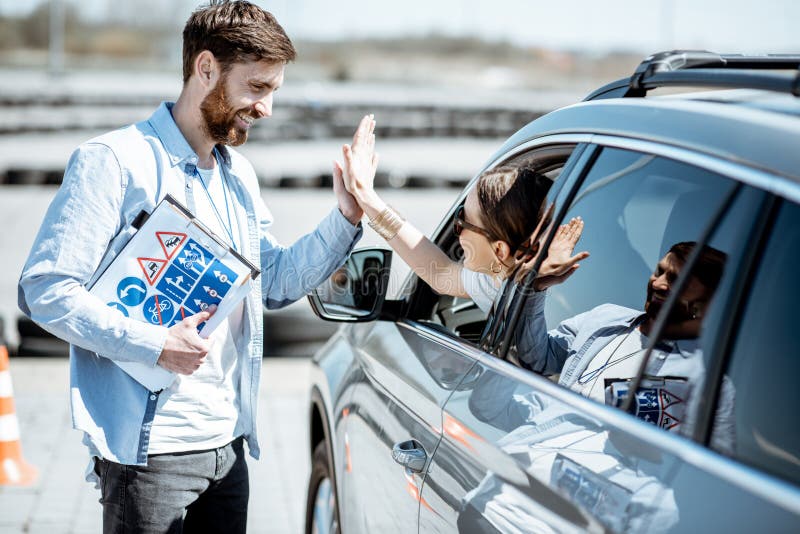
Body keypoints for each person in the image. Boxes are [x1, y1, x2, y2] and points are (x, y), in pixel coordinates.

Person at [17, 2, 364, 532]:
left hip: (228, 448)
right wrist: (153, 345)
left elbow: (272, 283)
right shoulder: (112, 161)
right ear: (206, 69)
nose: (266, 108)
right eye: (258, 88)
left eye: (272, 90)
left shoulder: (238, 176)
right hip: (152, 455)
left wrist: (346, 215)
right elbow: (45, 290)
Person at [337, 115, 589, 312]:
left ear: (500, 250)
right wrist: (366, 196)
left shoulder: (525, 292)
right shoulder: (496, 276)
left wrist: (365, 195)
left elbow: (440, 272)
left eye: (463, 222)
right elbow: (439, 273)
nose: (457, 231)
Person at [516, 241, 735, 452]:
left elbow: (707, 471)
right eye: (659, 271)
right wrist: (536, 287)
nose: (658, 283)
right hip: (533, 452)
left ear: (705, 304)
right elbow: (538, 357)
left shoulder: (707, 383)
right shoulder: (605, 317)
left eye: (676, 281)